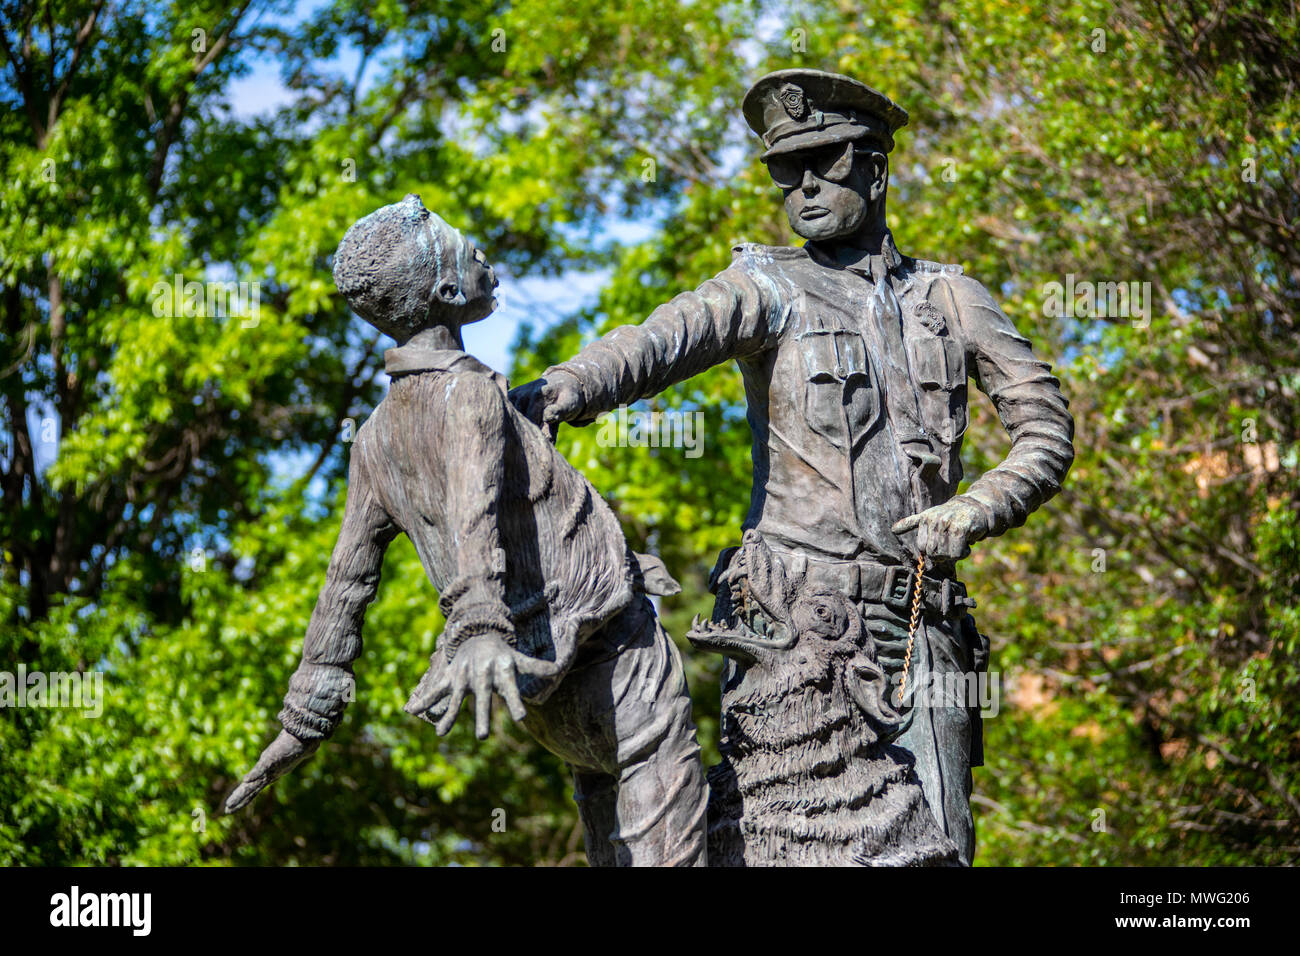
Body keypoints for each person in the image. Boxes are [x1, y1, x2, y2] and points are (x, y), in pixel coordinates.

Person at [511, 70, 1075, 864]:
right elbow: (657, 341)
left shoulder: (953, 298)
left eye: (827, 162)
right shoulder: (765, 286)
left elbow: (1044, 429)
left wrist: (975, 509)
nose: (803, 185)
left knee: (937, 847)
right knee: (781, 846)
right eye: (785, 170)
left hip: (917, 627)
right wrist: (557, 391)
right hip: (789, 630)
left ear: (875, 169)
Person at [226, 195, 708, 867]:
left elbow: (346, 583)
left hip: (543, 692)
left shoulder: (374, 438)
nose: (485, 255)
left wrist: (305, 716)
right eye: (469, 249)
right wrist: (481, 624)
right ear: (449, 290)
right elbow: (470, 504)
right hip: (608, 657)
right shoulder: (470, 392)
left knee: (620, 844)